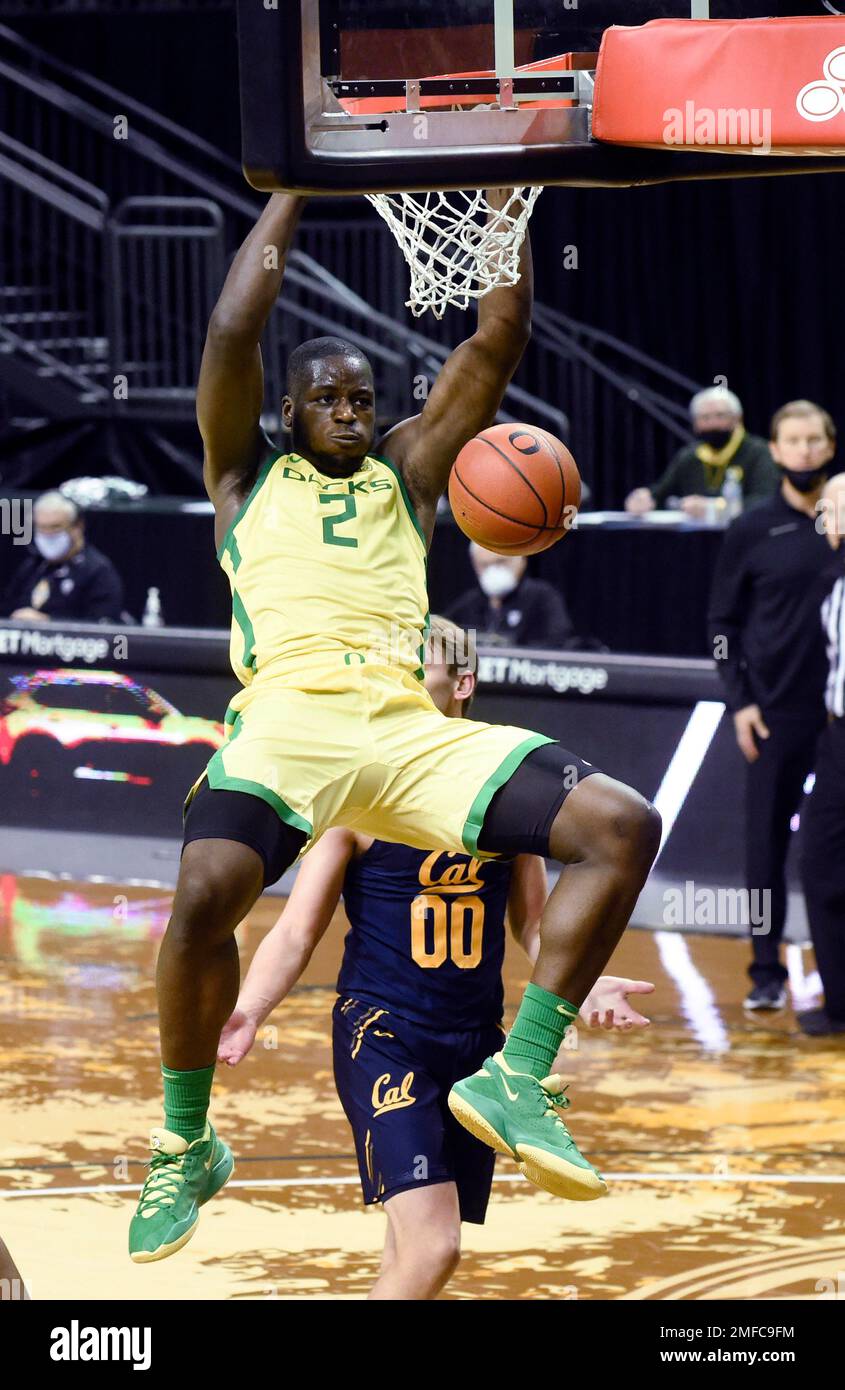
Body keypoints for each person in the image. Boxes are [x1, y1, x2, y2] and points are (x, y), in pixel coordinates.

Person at [128, 190, 661, 1264]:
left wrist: (509, 207)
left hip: (401, 723)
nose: (348, 411)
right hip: (286, 721)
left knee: (621, 824)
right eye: (325, 398)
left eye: (363, 399)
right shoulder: (240, 477)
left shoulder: (410, 476)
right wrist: (292, 186)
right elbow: (233, 331)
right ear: (289, 412)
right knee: (200, 896)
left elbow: (495, 337)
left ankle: (516, 1074)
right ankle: (186, 1141)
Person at [218, 616, 655, 1299]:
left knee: (406, 1246)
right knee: (434, 1245)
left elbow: (535, 926)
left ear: (462, 683)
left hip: (476, 1047)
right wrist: (249, 1008)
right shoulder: (359, 797)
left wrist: (587, 985)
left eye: (415, 668)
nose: (396, 683)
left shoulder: (507, 806)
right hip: (383, 1036)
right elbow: (297, 930)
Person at [708, 400, 837, 1012]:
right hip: (775, 712)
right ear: (777, 450)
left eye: (816, 439)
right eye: (794, 440)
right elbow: (721, 624)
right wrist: (740, 703)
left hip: (838, 715)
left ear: (831, 448)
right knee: (765, 846)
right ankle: (766, 971)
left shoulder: (842, 522)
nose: (805, 450)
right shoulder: (752, 528)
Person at [797, 472, 845, 1037]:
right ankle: (839, 1004)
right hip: (836, 739)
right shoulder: (830, 576)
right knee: (822, 865)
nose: (825, 520)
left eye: (832, 510)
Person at [625, 386, 778, 518]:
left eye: (720, 416)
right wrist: (644, 499)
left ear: (737, 419)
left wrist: (714, 508)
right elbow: (661, 493)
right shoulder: (689, 456)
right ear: (695, 424)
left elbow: (765, 499)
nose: (712, 423)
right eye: (705, 418)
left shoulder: (759, 452)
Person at [2, 492, 125, 624]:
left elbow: (103, 628)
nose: (48, 534)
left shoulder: (98, 572)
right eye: (41, 527)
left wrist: (49, 624)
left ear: (77, 526)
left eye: (55, 527)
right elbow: (7, 609)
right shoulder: (33, 567)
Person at [446, 542, 575, 648]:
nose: (493, 570)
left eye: (501, 562)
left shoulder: (542, 597)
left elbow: (559, 641)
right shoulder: (469, 603)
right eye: (484, 565)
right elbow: (439, 634)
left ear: (522, 560)